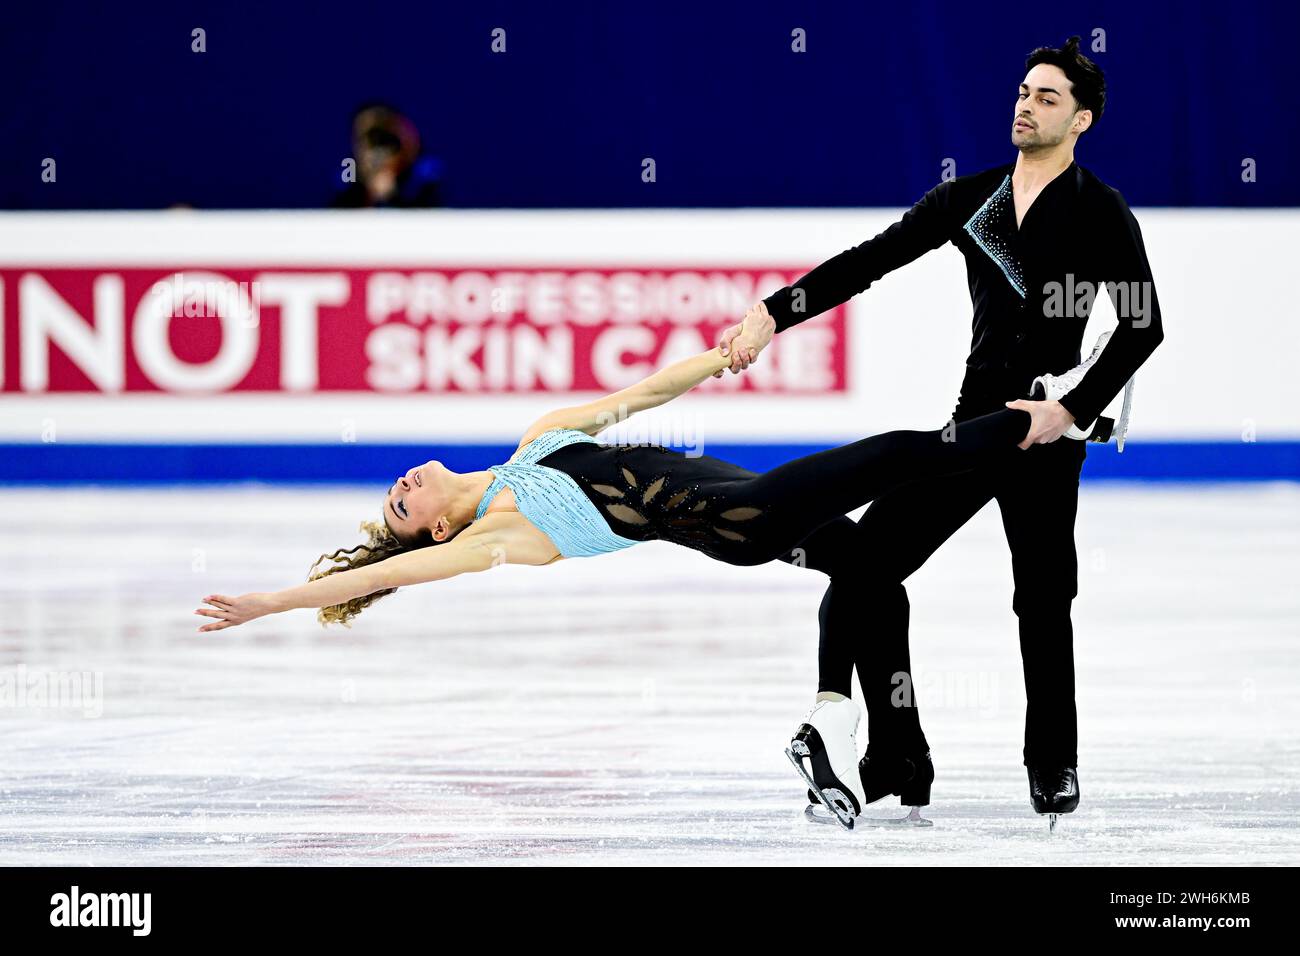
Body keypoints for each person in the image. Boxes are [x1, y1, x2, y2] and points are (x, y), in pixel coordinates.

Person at [716, 36, 1165, 829]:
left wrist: (1073, 408)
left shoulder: (1101, 210)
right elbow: (869, 260)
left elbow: (1143, 326)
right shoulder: (976, 199)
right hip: (970, 428)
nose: (1026, 104)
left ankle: (1051, 762)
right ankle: (896, 757)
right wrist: (772, 312)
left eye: (1048, 97)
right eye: (1024, 91)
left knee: (1042, 597)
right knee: (864, 566)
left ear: (1082, 119)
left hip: (1047, 431)